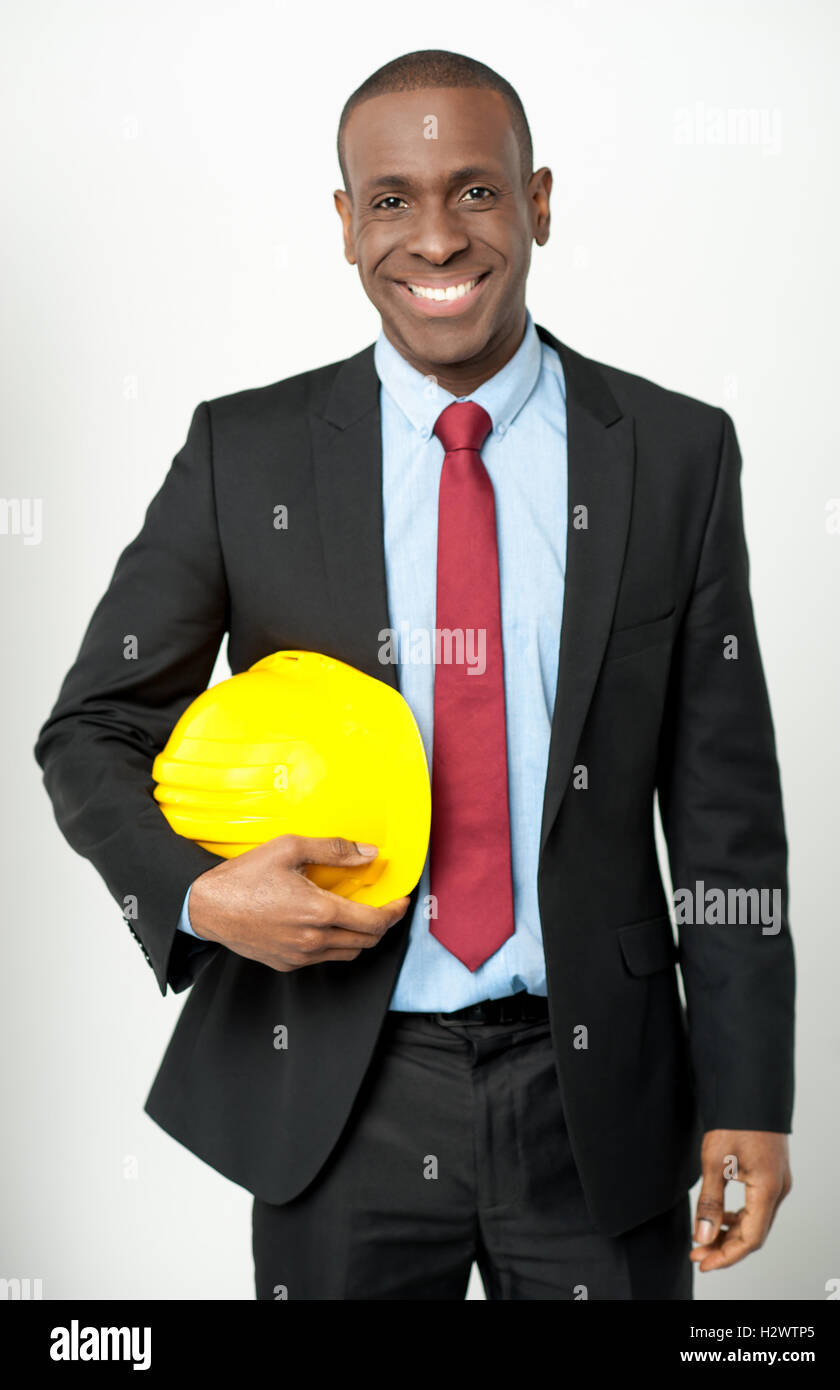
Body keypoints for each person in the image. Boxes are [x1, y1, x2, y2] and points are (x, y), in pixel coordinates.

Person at [34, 48, 794, 1301]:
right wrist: (197, 896)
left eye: (475, 192)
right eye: (391, 199)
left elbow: (725, 820)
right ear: (344, 225)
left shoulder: (673, 453)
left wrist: (750, 1091)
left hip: (598, 1094)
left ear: (538, 200)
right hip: (337, 1088)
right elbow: (92, 726)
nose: (435, 237)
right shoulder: (248, 454)